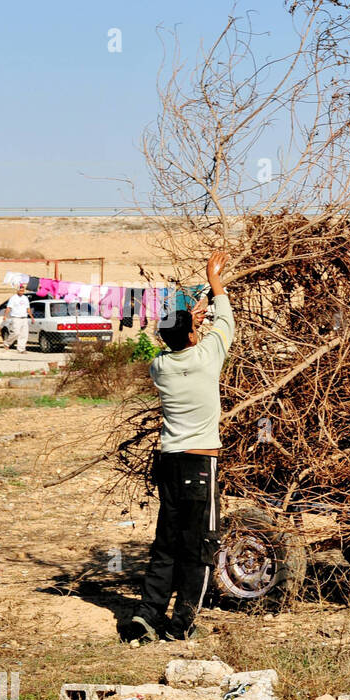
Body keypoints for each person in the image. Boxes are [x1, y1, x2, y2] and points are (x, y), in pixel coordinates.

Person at [120, 251, 233, 644]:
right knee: (200, 545)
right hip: (201, 464)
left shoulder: (159, 367)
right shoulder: (208, 357)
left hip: (168, 464)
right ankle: (182, 621)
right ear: (191, 335)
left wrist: (191, 320)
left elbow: (190, 338)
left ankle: (147, 615)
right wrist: (214, 281)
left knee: (165, 543)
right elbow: (227, 320)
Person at [2, 285, 31, 353]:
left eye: (23, 291)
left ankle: (21, 349)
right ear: (17, 290)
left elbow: (28, 308)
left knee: (24, 334)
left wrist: (31, 317)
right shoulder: (13, 298)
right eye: (20, 290)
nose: (22, 292)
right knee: (16, 332)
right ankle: (7, 343)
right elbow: (9, 307)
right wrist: (5, 315)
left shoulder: (25, 298)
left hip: (24, 317)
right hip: (16, 317)